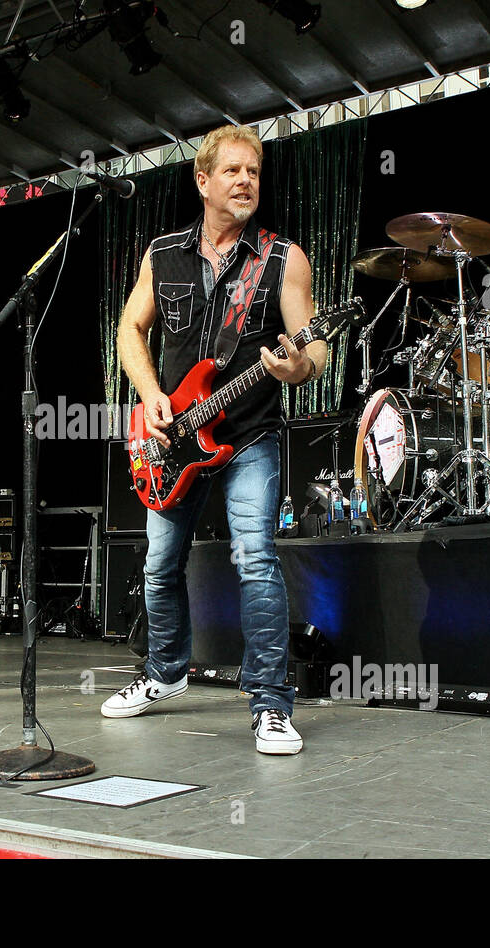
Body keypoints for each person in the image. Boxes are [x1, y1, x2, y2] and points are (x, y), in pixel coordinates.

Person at [102, 125, 328, 755]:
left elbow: (317, 348)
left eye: (253, 172)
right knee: (157, 566)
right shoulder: (162, 254)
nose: (245, 182)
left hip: (248, 433)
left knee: (253, 556)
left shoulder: (283, 259)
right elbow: (129, 330)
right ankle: (164, 673)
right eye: (232, 171)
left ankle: (271, 705)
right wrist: (150, 395)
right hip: (172, 437)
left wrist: (298, 367)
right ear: (202, 181)